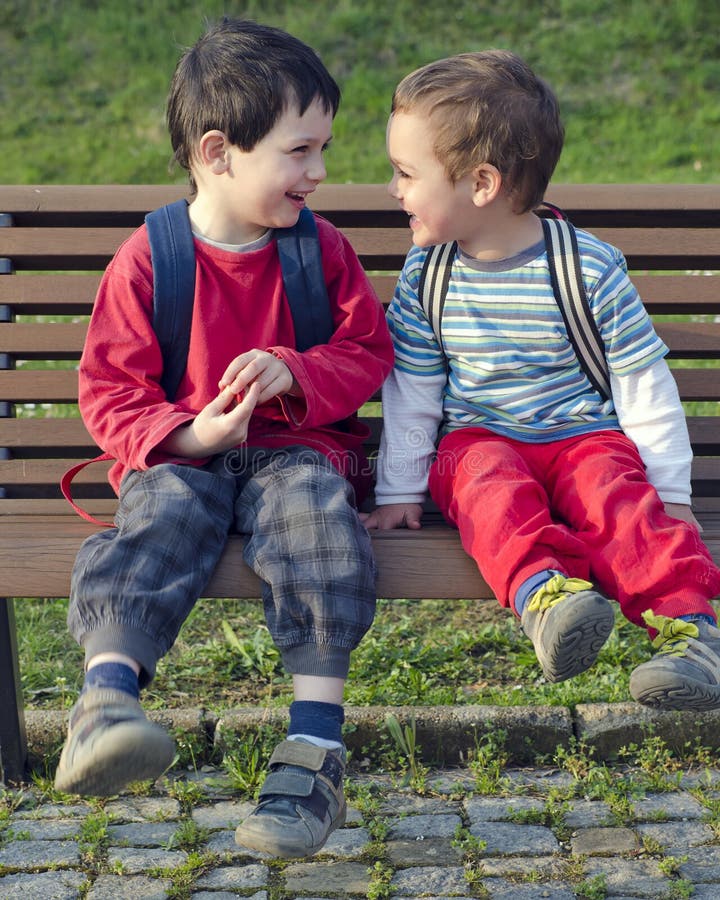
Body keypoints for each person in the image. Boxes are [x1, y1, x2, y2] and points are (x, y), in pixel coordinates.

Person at [55, 18, 394, 860]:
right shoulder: (150, 260)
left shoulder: (320, 253)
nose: (319, 172)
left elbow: (366, 352)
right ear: (218, 153)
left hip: (293, 455)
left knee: (316, 518)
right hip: (186, 458)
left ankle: (314, 751)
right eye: (299, 151)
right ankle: (106, 702)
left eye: (322, 149)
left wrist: (295, 369)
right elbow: (110, 391)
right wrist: (188, 432)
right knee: (158, 517)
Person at [363, 49, 720, 710]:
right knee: (484, 486)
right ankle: (550, 601)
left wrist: (670, 491)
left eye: (406, 174)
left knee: (618, 501)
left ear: (481, 184)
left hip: (584, 438)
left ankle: (690, 635)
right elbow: (413, 391)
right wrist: (400, 488)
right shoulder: (427, 276)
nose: (393, 189)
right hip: (479, 440)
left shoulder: (586, 268)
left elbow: (643, 383)